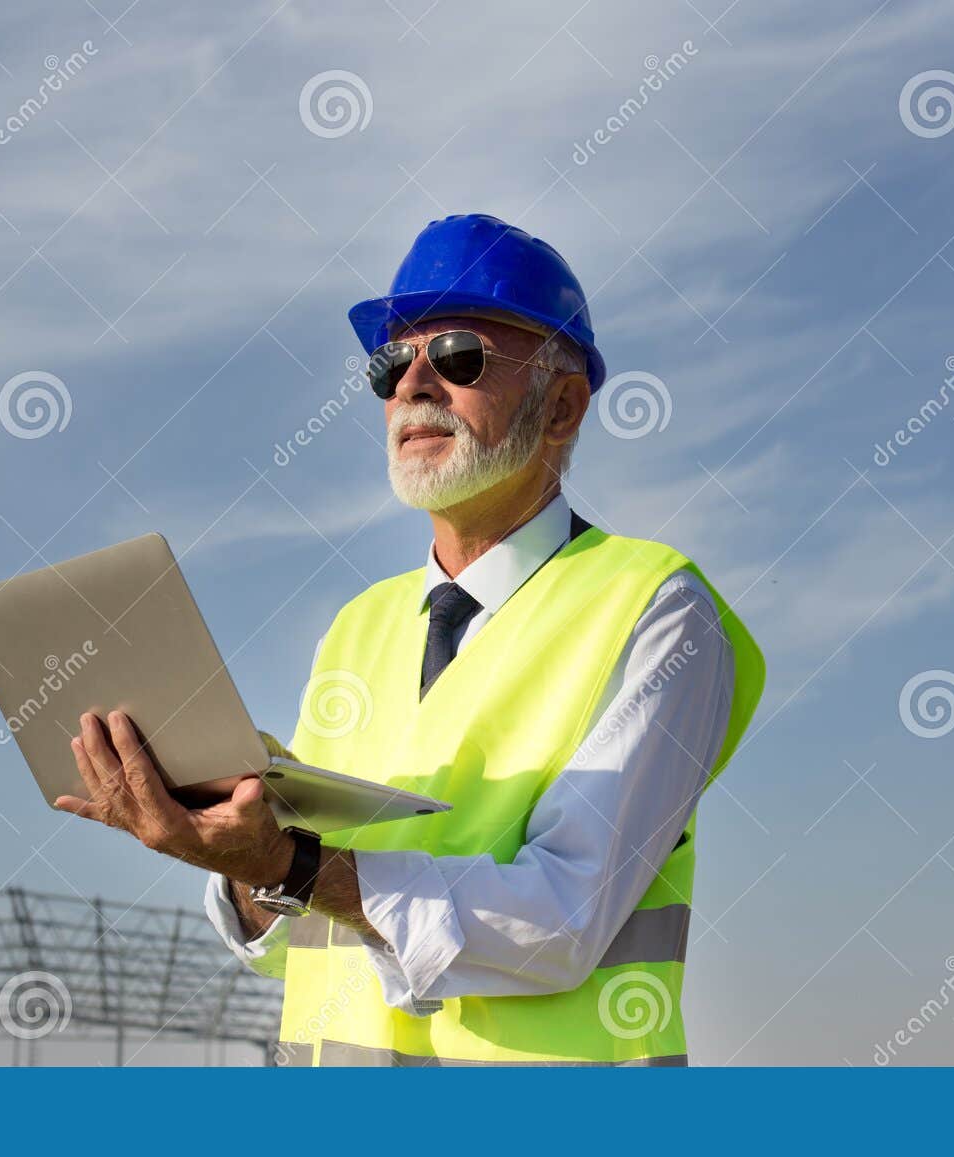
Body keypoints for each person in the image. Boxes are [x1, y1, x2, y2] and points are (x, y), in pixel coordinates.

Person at [56, 214, 765, 1066]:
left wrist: (292, 866)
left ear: (564, 407)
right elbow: (295, 944)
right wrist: (241, 859)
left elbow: (563, 918)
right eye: (391, 366)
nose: (413, 385)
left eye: (460, 356)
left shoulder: (655, 609)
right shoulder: (358, 629)